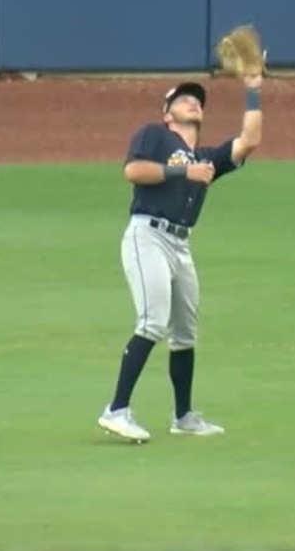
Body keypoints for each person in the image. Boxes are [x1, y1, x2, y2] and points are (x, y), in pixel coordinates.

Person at [96, 71, 263, 442]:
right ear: (168, 114)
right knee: (152, 322)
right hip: (147, 236)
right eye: (183, 99)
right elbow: (133, 170)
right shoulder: (155, 135)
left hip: (180, 246)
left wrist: (253, 89)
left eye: (198, 100)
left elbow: (250, 139)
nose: (193, 102)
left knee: (185, 334)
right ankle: (117, 409)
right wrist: (183, 171)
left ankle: (183, 416)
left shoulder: (205, 158)